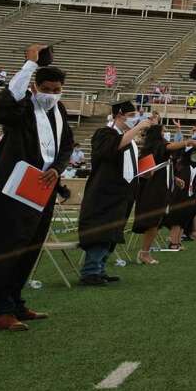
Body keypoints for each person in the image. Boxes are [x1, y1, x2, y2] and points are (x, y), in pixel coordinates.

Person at [0, 46, 74, 330]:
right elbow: (0, 109)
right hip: (15, 189)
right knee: (9, 244)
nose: (52, 94)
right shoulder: (22, 107)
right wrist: (30, 63)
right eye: (47, 88)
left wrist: (57, 168)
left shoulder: (59, 110)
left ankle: (16, 302)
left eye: (57, 89)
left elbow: (66, 145)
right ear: (35, 86)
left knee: (31, 246)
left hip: (43, 190)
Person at [78, 100, 154, 285]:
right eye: (131, 115)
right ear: (120, 114)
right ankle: (90, 271)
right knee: (101, 232)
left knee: (112, 233)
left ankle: (100, 269)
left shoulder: (127, 139)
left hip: (122, 194)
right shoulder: (104, 133)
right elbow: (110, 149)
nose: (135, 119)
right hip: (105, 193)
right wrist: (137, 128)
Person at [132, 115, 196, 264]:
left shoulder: (154, 148)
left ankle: (145, 252)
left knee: (156, 222)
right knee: (153, 222)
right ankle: (144, 253)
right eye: (162, 132)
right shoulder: (156, 146)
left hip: (159, 189)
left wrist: (175, 178)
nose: (164, 135)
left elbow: (162, 167)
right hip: (152, 190)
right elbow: (169, 147)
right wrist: (188, 141)